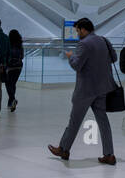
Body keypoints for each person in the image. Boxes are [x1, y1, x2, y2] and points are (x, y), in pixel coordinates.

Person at [48, 17, 117, 164]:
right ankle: (109, 154)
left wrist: (70, 56)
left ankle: (63, 149)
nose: (77, 33)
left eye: (78, 30)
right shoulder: (103, 40)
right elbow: (114, 57)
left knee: (74, 121)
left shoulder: (83, 44)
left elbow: (77, 65)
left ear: (84, 29)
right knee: (103, 122)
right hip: (102, 87)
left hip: (86, 90)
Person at [3, 29, 23, 112]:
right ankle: (10, 103)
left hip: (10, 67)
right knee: (13, 84)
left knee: (8, 84)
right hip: (19, 67)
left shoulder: (8, 44)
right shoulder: (20, 45)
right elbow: (22, 56)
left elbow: (6, 55)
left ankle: (13, 99)